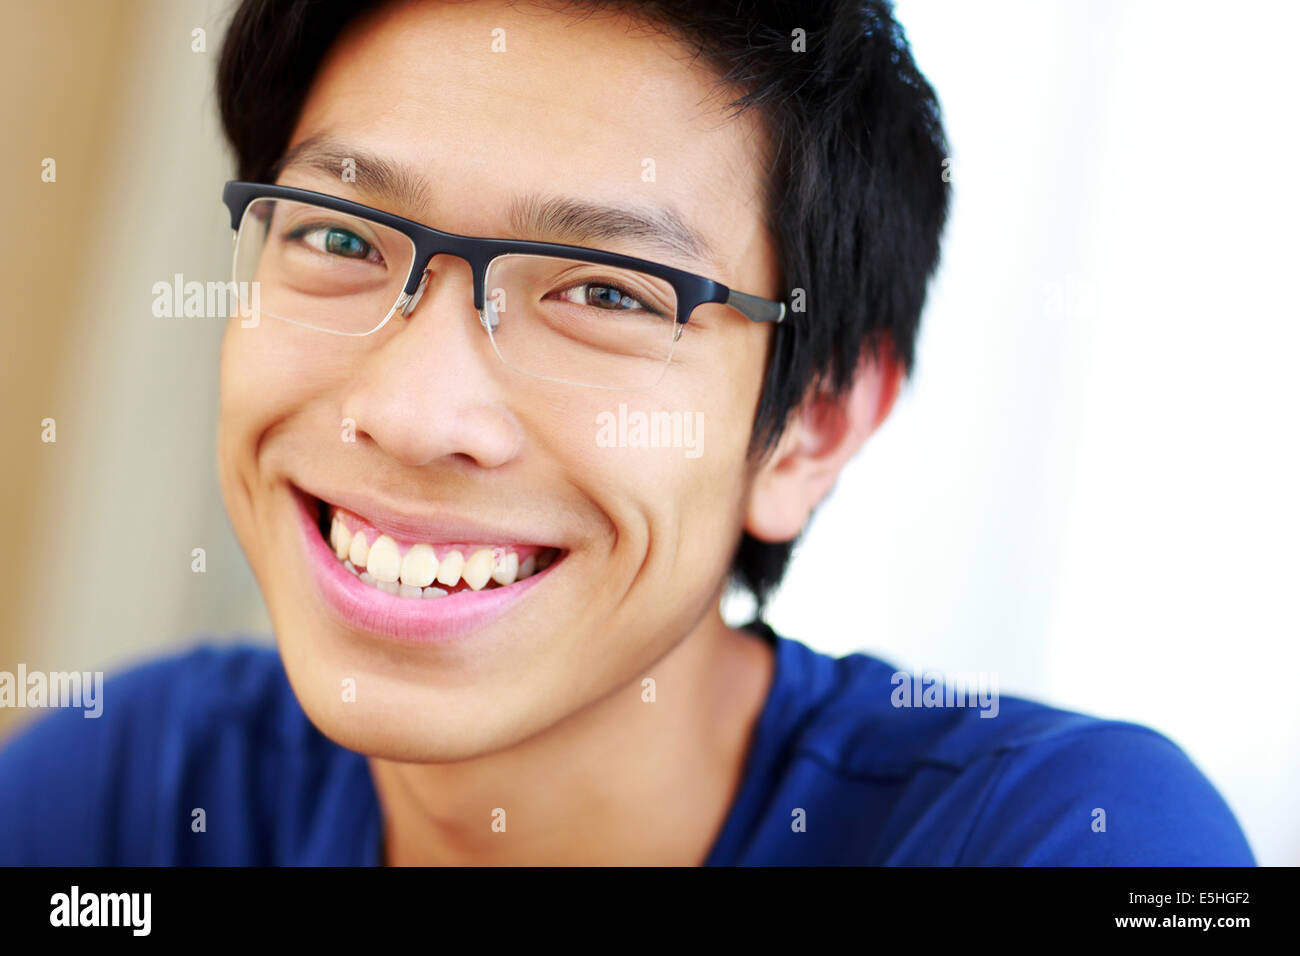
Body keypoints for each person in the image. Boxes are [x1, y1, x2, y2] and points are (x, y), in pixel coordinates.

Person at [0, 0, 1255, 865]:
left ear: (813, 426)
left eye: (604, 292)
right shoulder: (128, 791)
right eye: (337, 236)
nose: (414, 408)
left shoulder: (1063, 834)